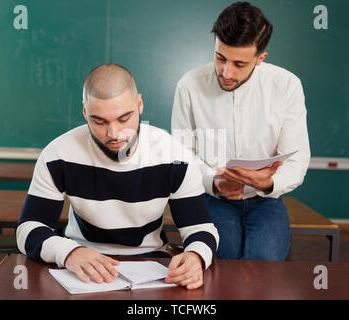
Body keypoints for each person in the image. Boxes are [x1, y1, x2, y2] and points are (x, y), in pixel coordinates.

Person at [17, 63, 219, 290]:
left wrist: (195, 256)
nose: (114, 134)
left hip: (150, 262)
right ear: (85, 112)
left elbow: (200, 228)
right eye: (99, 121)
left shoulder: (175, 156)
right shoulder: (58, 155)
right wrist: (68, 252)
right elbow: (29, 228)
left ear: (140, 104)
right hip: (79, 262)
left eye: (124, 119)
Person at [171, 2, 310, 261]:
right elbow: (182, 157)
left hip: (265, 199)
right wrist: (214, 181)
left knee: (265, 264)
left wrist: (267, 182)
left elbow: (297, 161)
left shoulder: (287, 86)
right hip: (212, 198)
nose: (226, 72)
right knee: (222, 261)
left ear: (260, 59)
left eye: (239, 63)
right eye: (220, 57)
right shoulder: (189, 85)